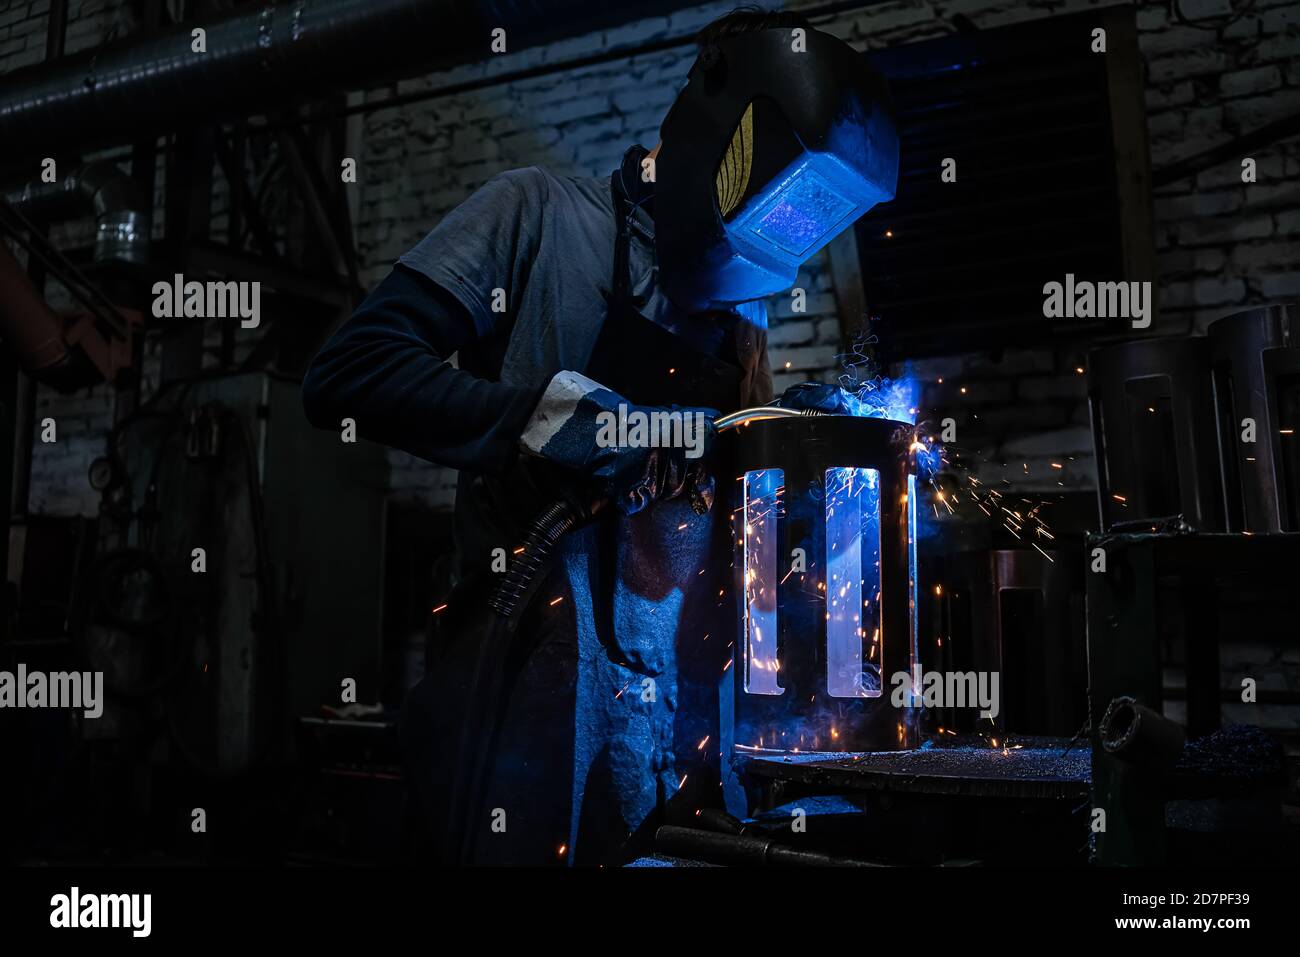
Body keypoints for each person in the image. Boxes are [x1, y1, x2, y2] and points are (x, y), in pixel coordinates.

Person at [302, 6, 897, 865]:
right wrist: (542, 422)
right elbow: (349, 373)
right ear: (722, 120)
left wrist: (786, 447)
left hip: (682, 739)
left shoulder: (741, 311)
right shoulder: (537, 217)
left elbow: (717, 492)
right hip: (525, 707)